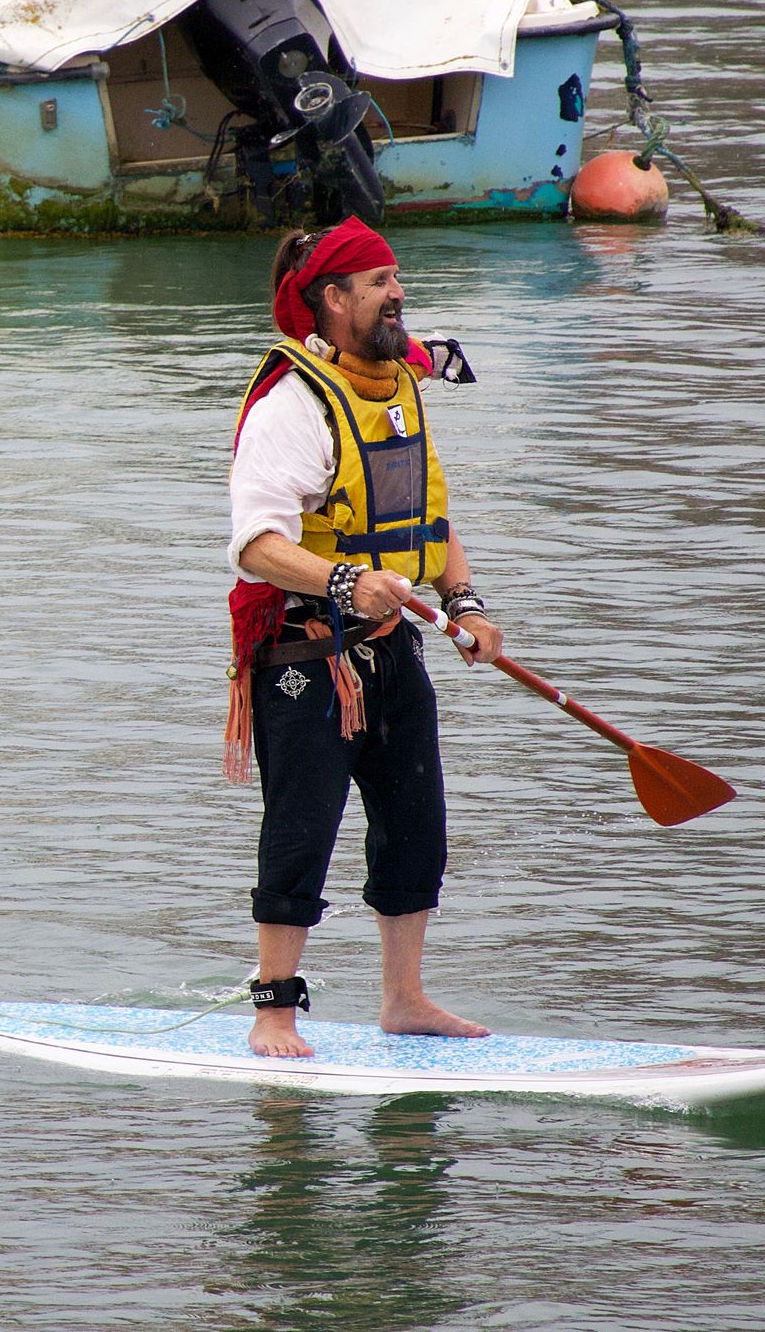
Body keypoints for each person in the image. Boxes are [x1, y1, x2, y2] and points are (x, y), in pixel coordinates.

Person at [224, 217, 502, 1059]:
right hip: (306, 654)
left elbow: (429, 514)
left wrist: (464, 602)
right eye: (379, 282)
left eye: (397, 278)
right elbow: (256, 545)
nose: (398, 293)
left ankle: (405, 997)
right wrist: (344, 579)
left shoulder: (402, 382)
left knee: (418, 826)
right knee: (303, 826)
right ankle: (273, 1010)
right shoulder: (291, 403)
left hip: (392, 647)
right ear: (332, 299)